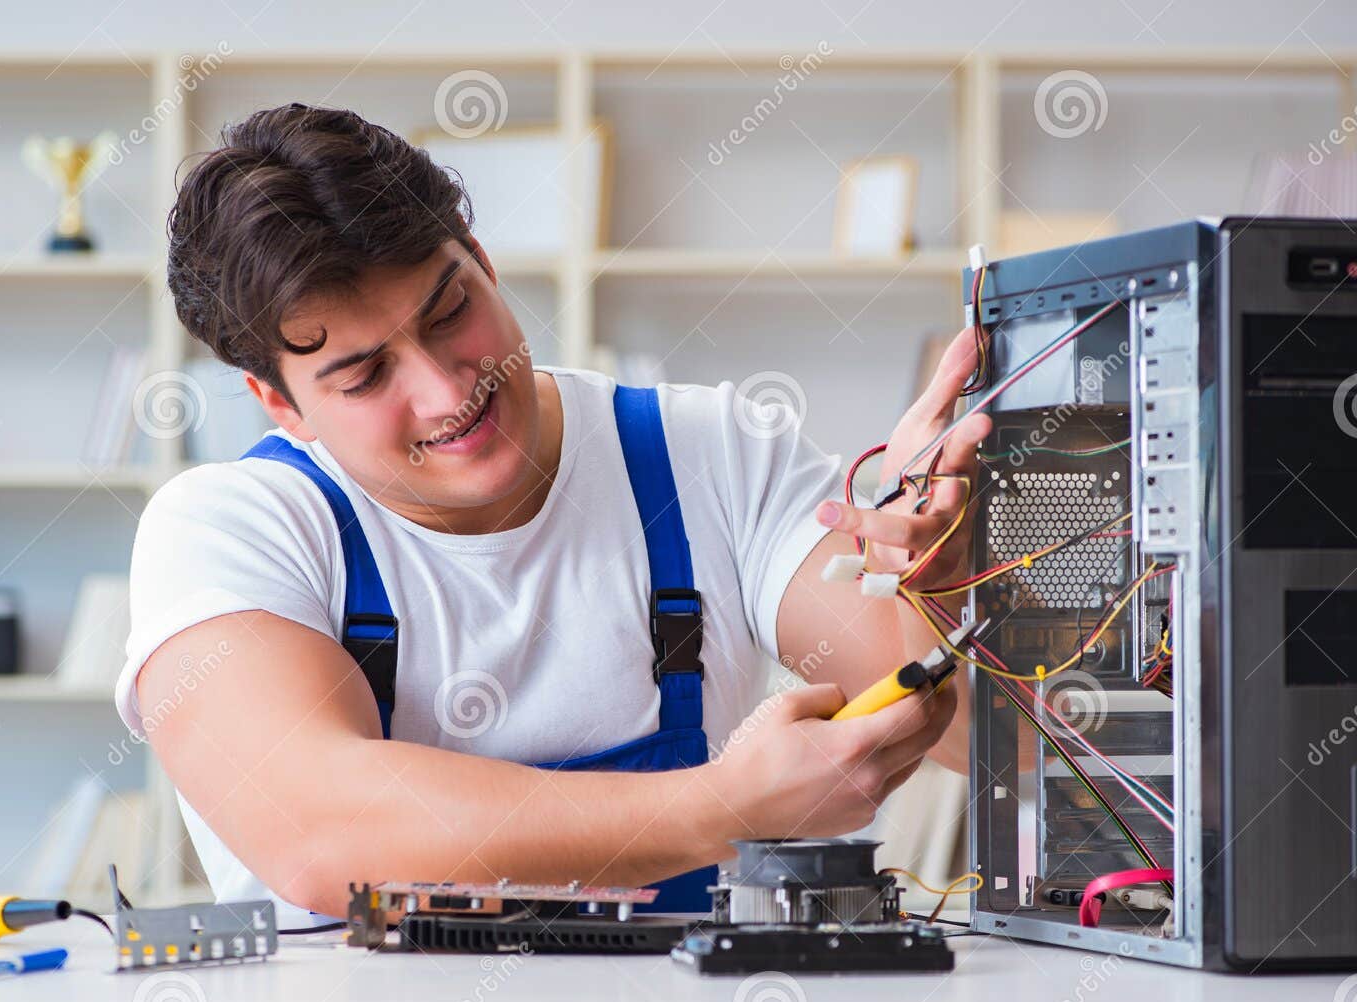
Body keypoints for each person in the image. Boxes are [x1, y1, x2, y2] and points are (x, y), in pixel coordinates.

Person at [115, 103, 990, 923]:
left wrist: (940, 587)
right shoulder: (227, 529)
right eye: (367, 375)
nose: (447, 391)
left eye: (449, 312)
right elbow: (318, 833)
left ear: (483, 264)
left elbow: (971, 739)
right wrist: (724, 807)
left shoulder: (711, 453)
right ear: (281, 404)